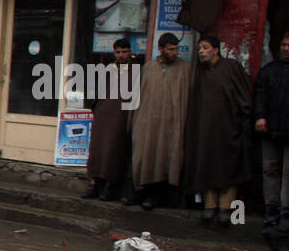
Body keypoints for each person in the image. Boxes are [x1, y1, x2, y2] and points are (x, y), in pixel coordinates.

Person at [185, 34, 253, 225]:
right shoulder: (201, 72)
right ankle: (210, 206)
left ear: (216, 49)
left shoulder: (231, 67)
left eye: (205, 48)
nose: (201, 51)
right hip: (206, 131)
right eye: (199, 48)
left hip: (228, 128)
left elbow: (243, 98)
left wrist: (241, 124)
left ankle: (226, 207)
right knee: (206, 165)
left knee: (228, 168)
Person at [128, 32, 192, 210]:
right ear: (161, 49)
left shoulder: (185, 69)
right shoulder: (148, 68)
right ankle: (140, 192)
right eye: (171, 49)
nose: (175, 52)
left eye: (177, 49)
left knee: (165, 157)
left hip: (171, 123)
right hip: (147, 122)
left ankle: (156, 196)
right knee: (143, 154)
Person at [83, 38, 134, 201]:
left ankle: (109, 187)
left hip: (121, 116)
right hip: (102, 115)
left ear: (130, 52)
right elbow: (98, 92)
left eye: (124, 52)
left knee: (114, 151)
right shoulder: (108, 70)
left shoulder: (135, 71)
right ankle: (94, 185)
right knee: (97, 150)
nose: (121, 55)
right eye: (118, 52)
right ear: (114, 53)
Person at [254, 31, 289, 230]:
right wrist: (260, 116)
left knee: (288, 172)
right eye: (284, 44)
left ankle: (286, 210)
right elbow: (260, 95)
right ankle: (271, 207)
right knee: (270, 169)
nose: (286, 48)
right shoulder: (269, 71)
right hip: (271, 128)